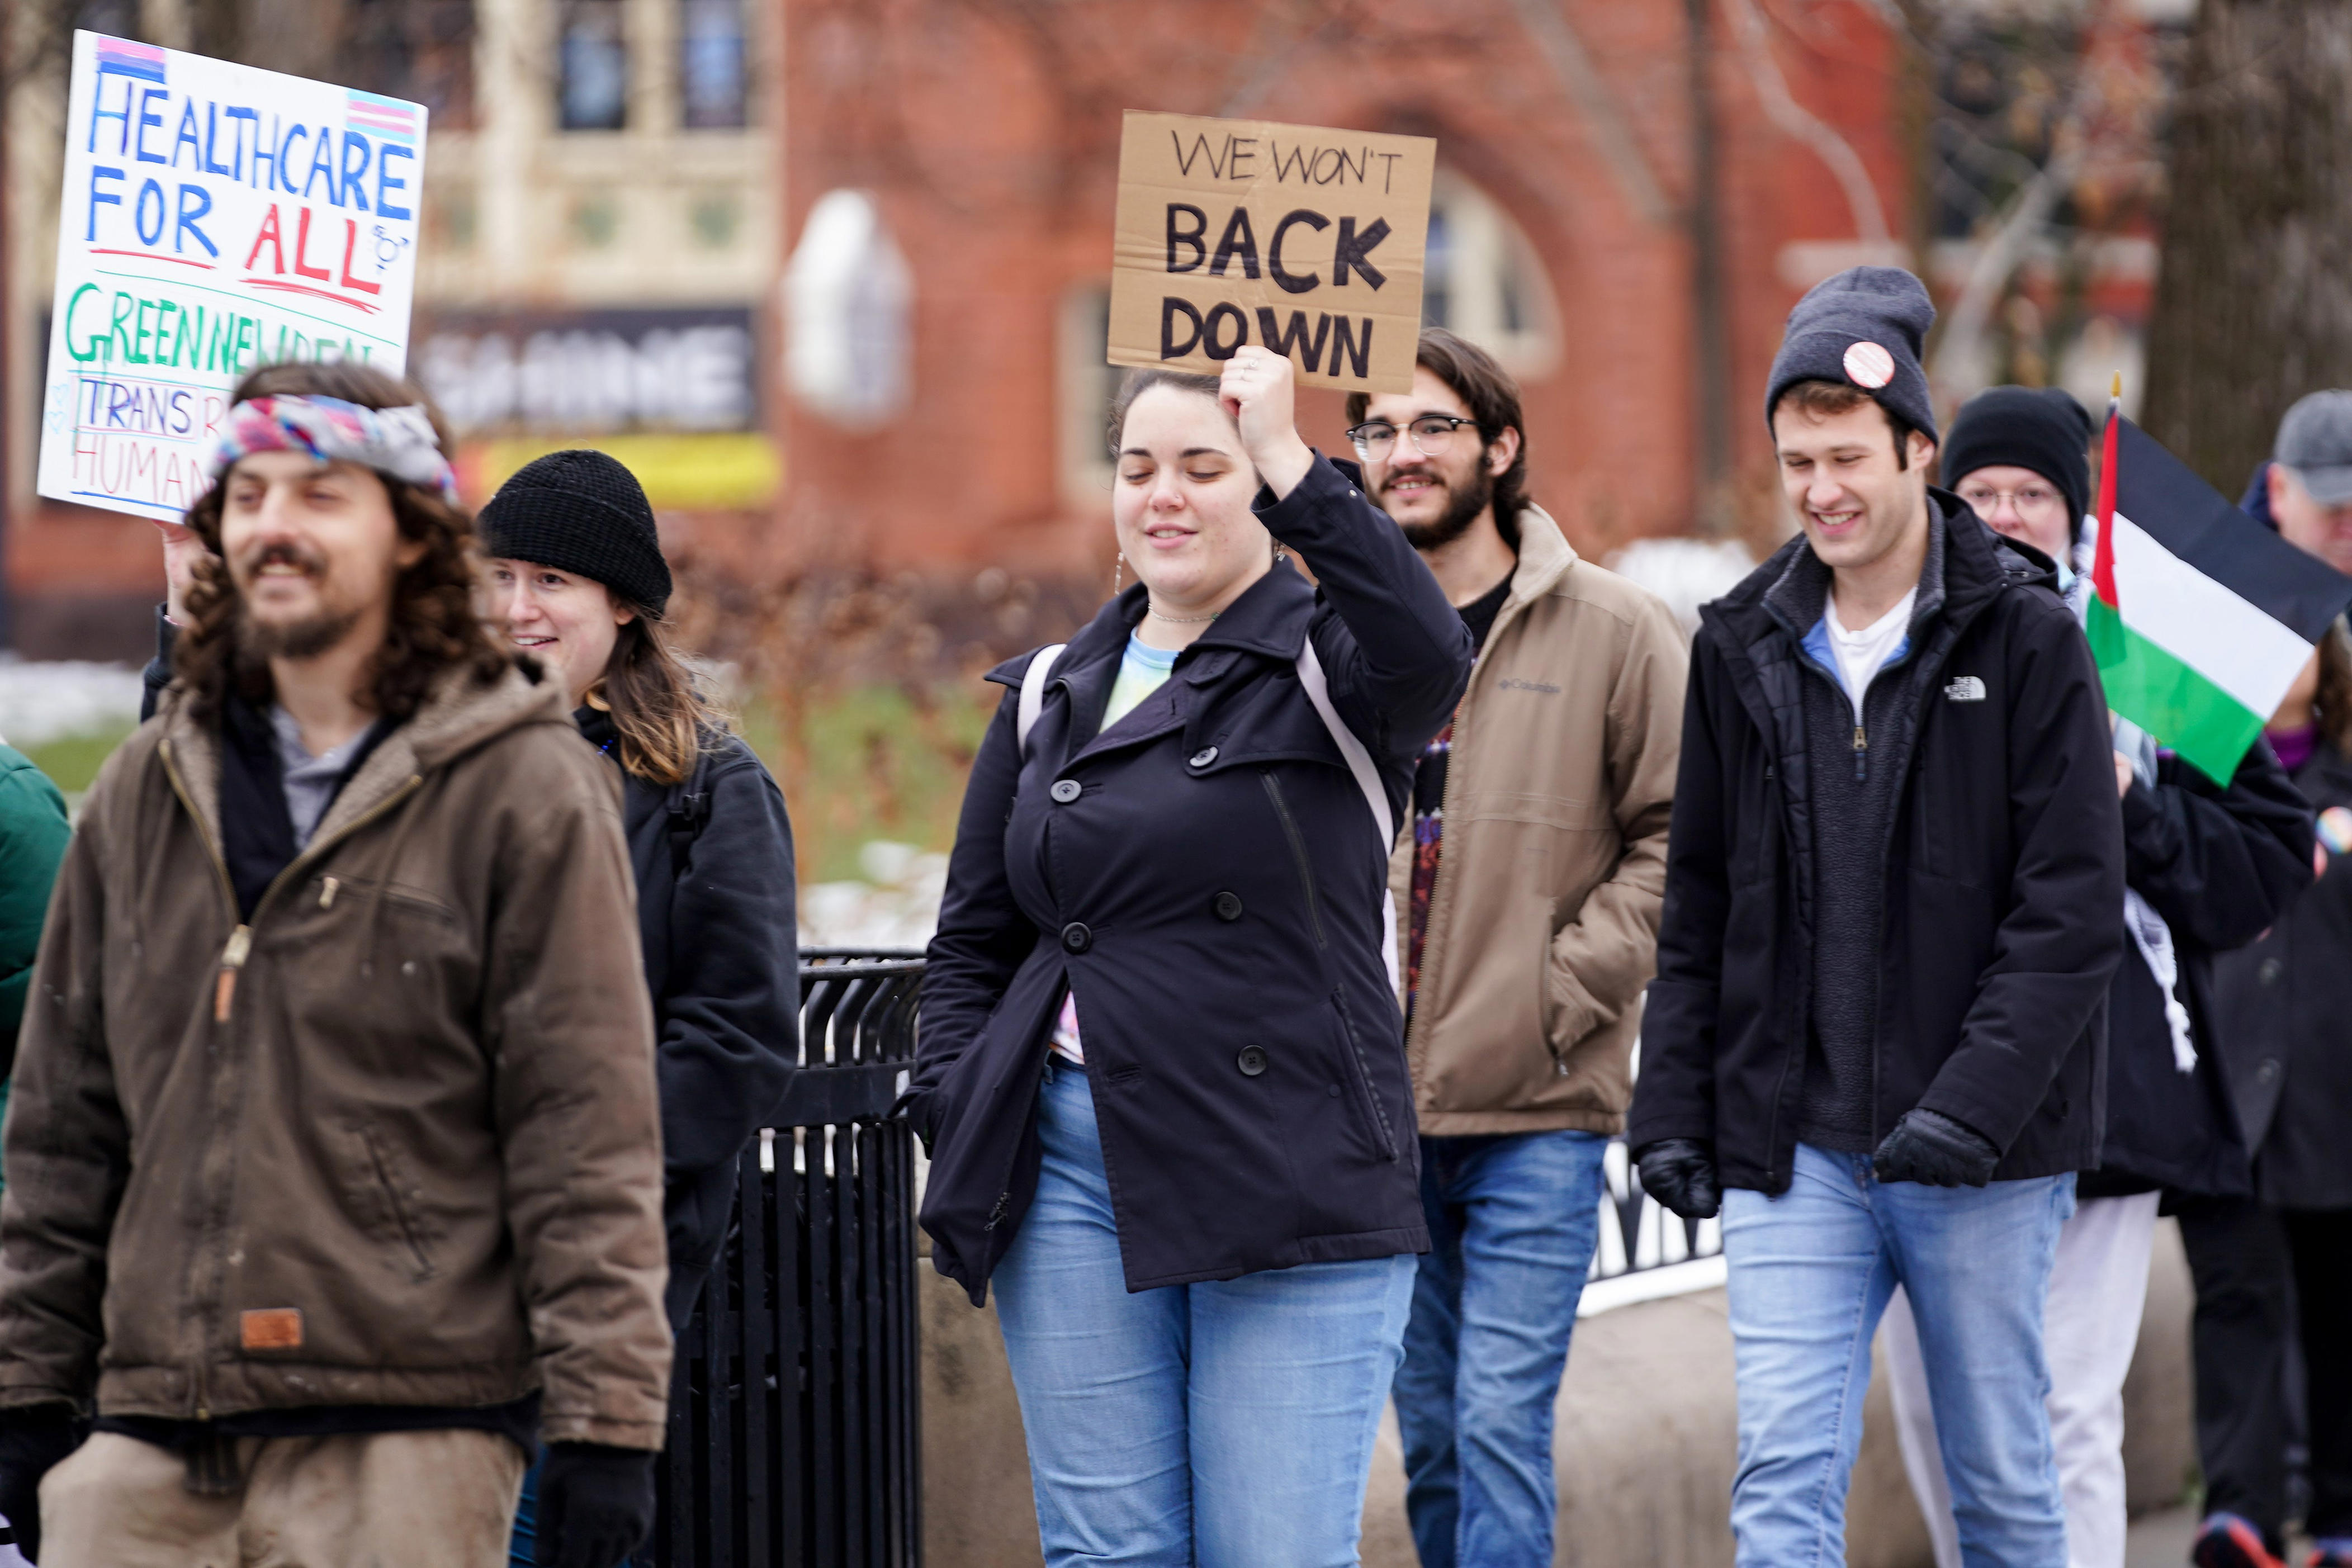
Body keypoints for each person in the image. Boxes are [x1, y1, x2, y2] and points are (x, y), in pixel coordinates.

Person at [0, 362, 673, 1568]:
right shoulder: (146, 791)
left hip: (404, 1431)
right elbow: (62, 1130)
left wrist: (606, 1423)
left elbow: (587, 1134)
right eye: (247, 490)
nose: (272, 519)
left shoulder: (519, 786)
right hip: (149, 1438)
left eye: (319, 490)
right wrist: (25, 1389)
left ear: (412, 535)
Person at [905, 345, 1472, 1567]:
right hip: (1067, 1172)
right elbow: (973, 938)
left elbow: (1434, 648)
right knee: (1109, 1554)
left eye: (1204, 466)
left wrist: (1294, 456)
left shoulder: (1335, 665)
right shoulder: (1054, 686)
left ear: (1261, 485)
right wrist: (954, 1097)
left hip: (1291, 1168)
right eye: (1138, 465)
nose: (1163, 493)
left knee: (1273, 1551)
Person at [1626, 266, 2126, 1568]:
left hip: (1982, 1152)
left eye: (1847, 455)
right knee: (1781, 1472)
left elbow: (2067, 909)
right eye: (1796, 462)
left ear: (1920, 449)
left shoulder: (2023, 636)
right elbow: (1700, 902)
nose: (1820, 489)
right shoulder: (1738, 642)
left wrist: (1973, 1102)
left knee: (2003, 1483)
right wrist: (1674, 1107)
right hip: (1799, 1152)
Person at [1875, 386, 2314, 1568]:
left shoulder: (2138, 659)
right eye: (1981, 494)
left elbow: (2265, 863)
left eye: (2032, 495)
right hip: (1909, 1084)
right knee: (1933, 1408)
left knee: (2062, 1401)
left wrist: (2131, 806)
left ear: (2074, 516)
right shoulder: (1879, 630)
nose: (2006, 516)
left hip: (2096, 1091)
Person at [1345, 328, 1686, 1568]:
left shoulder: (1618, 628)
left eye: (1433, 427)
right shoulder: (1331, 635)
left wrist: (1563, 986)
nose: (1403, 454)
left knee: (1496, 1423)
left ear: (1502, 444)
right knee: (1428, 1434)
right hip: (1374, 1112)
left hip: (1537, 1102)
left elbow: (1676, 838)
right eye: (1378, 432)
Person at [475, 451, 800, 1566]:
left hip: (581, 1298)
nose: (518, 607)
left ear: (622, 603)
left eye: (552, 582)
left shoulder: (707, 787)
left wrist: (548, 1150)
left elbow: (738, 1043)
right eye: (500, 574)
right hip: (412, 1296)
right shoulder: (426, 769)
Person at [2179, 389, 2352, 1568]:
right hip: (2229, 1070)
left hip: (2336, 1077)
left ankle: (2337, 1508)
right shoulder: (2210, 760)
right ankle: (2236, 1505)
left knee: (2337, 1309)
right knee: (2233, 1294)